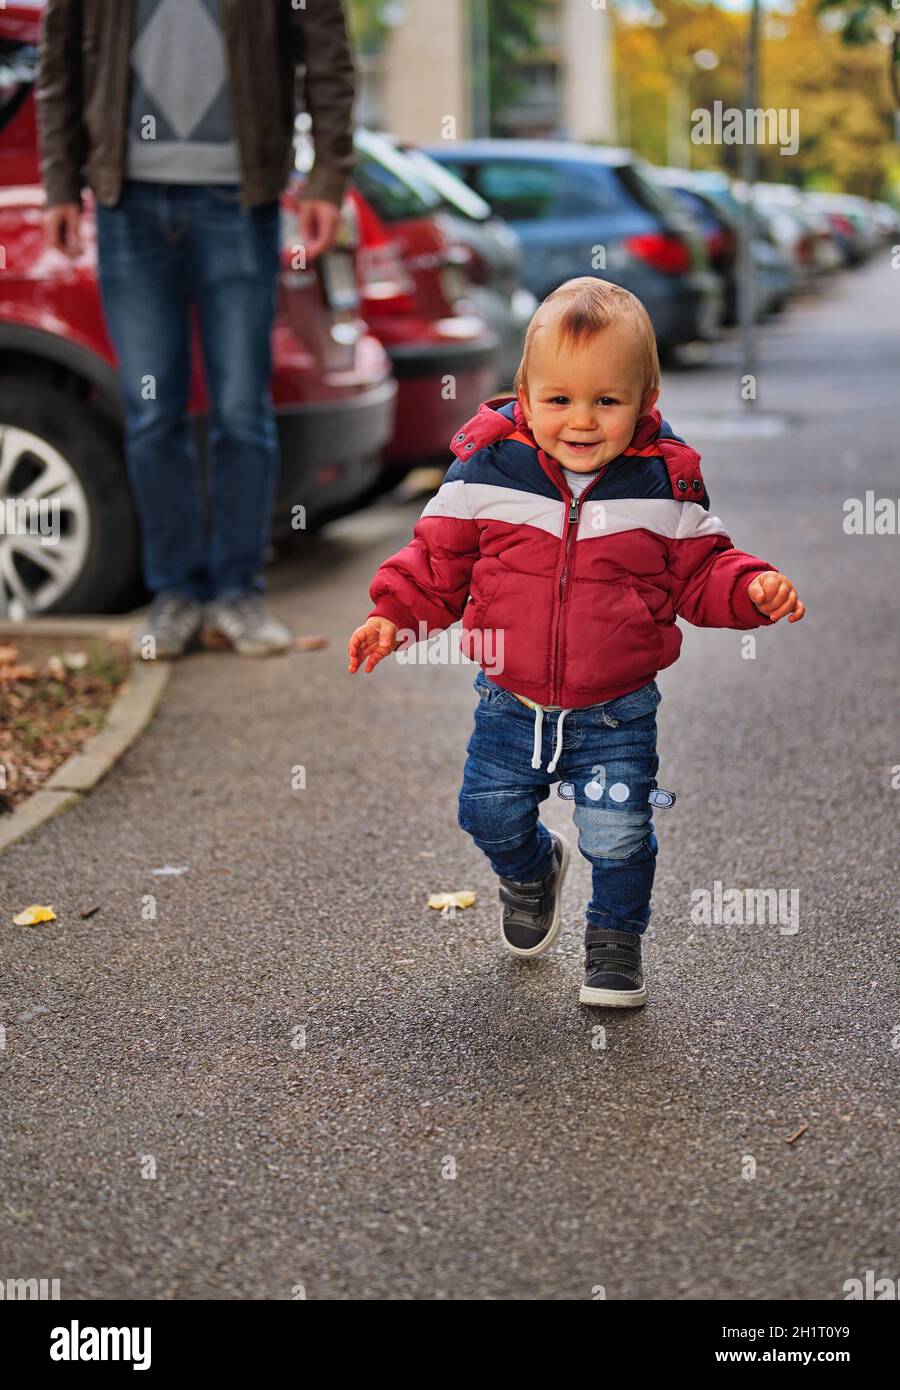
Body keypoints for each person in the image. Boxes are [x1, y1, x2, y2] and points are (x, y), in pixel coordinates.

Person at [348, 277, 805, 1008]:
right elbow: (435, 564)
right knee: (487, 813)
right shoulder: (484, 475)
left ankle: (615, 944)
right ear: (524, 394)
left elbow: (702, 571)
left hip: (617, 711)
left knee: (618, 833)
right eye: (559, 400)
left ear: (646, 397)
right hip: (510, 702)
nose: (582, 421)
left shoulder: (663, 488)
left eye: (607, 400)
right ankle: (530, 872)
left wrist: (750, 588)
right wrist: (393, 616)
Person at [36, 0, 356, 657]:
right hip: (129, 204)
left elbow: (326, 52)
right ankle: (175, 595)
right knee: (153, 412)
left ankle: (237, 593)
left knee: (242, 410)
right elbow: (59, 57)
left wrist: (327, 177)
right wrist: (61, 181)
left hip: (240, 200)